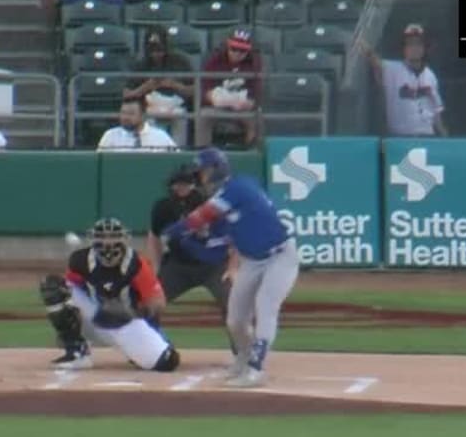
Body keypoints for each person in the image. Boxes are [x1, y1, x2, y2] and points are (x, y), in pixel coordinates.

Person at [163, 147, 297, 387]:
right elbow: (214, 244)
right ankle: (243, 362)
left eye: (203, 172)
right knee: (235, 318)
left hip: (280, 257)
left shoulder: (238, 187)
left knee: (266, 307)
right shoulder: (224, 200)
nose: (200, 177)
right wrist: (190, 240)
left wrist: (173, 232)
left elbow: (200, 217)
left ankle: (256, 369)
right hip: (252, 261)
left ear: (216, 169)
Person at [37, 217, 179, 372]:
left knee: (167, 361)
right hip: (97, 317)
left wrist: (131, 312)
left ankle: (137, 349)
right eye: (103, 238)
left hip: (128, 324)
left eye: (112, 237)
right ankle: (77, 351)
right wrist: (67, 326)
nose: (108, 243)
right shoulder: (81, 261)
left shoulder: (135, 264)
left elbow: (158, 302)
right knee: (53, 287)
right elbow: (70, 292)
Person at [146, 163, 232, 326]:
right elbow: (154, 236)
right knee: (150, 302)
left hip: (212, 266)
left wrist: (231, 266)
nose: (181, 188)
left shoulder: (211, 204)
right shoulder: (163, 207)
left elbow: (230, 236)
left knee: (232, 304)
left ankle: (243, 348)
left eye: (186, 184)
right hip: (178, 265)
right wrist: (155, 267)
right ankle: (152, 346)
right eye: (178, 184)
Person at [363, 23, 444, 137]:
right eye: (410, 44)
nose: (414, 48)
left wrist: (444, 136)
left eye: (418, 44)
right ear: (404, 49)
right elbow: (374, 61)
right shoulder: (392, 69)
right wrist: (363, 45)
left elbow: (436, 111)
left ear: (424, 48)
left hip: (427, 136)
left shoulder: (430, 75)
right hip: (400, 137)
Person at [97, 97, 178, 150]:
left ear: (143, 115)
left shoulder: (161, 137)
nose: (125, 117)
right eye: (123, 113)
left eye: (131, 113)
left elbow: (176, 160)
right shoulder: (110, 136)